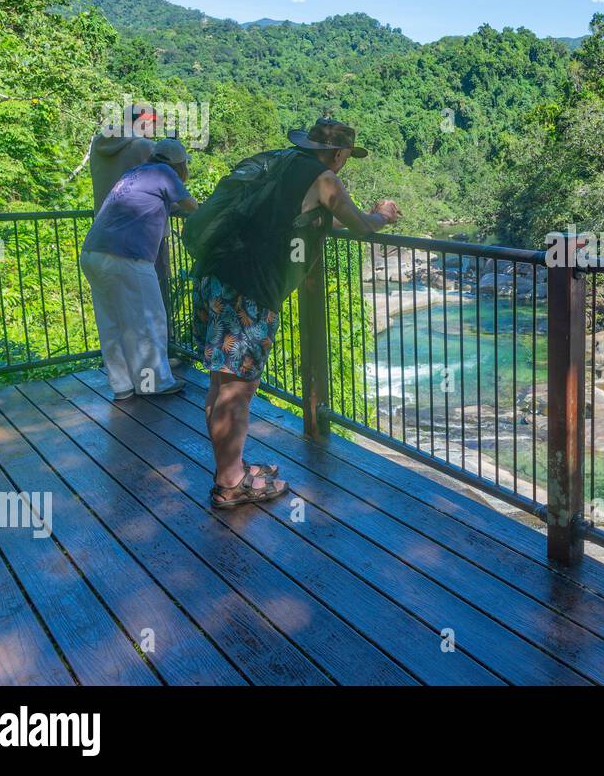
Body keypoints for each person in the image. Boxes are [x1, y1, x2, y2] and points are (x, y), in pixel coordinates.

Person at [188, 117, 400, 509]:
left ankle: (230, 469)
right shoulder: (324, 178)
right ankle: (231, 483)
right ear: (338, 154)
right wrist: (382, 215)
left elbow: (314, 216)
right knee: (237, 388)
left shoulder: (279, 162)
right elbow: (360, 227)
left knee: (222, 381)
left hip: (214, 275)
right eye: (347, 156)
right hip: (249, 290)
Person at [81, 138, 198, 400]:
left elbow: (158, 202)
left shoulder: (135, 173)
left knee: (111, 322)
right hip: (126, 255)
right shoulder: (164, 173)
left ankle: (122, 385)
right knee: (149, 318)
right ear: (178, 164)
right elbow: (192, 207)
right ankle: (154, 382)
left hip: (92, 252)